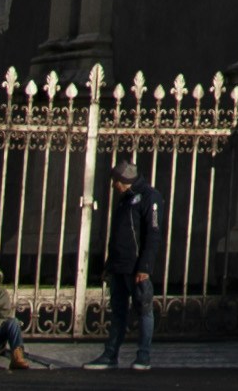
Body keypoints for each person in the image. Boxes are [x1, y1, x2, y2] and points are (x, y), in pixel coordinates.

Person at [92, 157, 161, 371]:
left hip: (136, 268)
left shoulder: (150, 197)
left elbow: (152, 234)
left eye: (115, 180)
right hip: (119, 266)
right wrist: (109, 265)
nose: (113, 185)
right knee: (118, 312)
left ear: (124, 179)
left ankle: (143, 356)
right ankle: (110, 355)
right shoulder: (125, 198)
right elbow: (118, 236)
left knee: (144, 310)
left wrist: (144, 267)